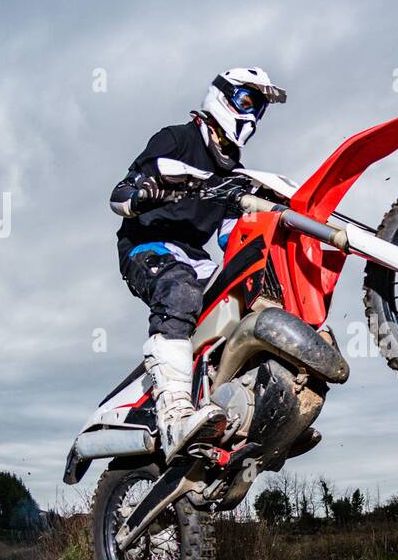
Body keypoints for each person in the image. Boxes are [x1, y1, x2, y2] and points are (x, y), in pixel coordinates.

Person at [109, 67, 286, 461]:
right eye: (247, 102)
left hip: (194, 257)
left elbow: (232, 238)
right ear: (223, 96)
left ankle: (258, 411)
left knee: (250, 294)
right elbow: (120, 196)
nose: (253, 116)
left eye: (259, 109)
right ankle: (173, 415)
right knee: (181, 288)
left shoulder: (232, 174)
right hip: (146, 248)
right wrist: (147, 190)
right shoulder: (177, 139)